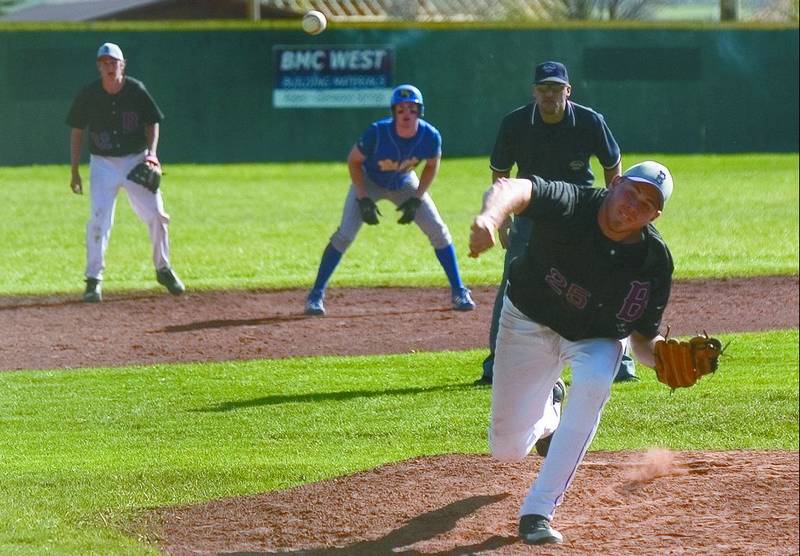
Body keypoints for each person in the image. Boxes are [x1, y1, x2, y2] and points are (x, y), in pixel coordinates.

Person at [468, 160, 674, 545]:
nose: (634, 204)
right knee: (508, 448)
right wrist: (489, 219)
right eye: (632, 191)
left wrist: (661, 357)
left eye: (647, 204)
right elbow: (513, 188)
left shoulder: (653, 262)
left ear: (654, 215)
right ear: (615, 183)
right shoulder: (573, 203)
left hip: (595, 338)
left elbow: (642, 339)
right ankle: (549, 414)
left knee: (596, 379)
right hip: (528, 318)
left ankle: (538, 511)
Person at [477, 60, 639, 385]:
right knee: (515, 282)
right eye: (543, 88)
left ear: (568, 90)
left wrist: (614, 211)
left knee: (602, 283)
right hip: (532, 213)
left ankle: (620, 362)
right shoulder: (516, 123)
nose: (549, 94)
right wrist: (504, 219)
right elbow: (500, 172)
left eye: (555, 88)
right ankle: (496, 364)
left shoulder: (590, 121)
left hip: (581, 214)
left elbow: (612, 163)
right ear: (534, 91)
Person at [304, 84, 475, 315]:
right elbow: (354, 160)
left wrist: (417, 198)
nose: (406, 114)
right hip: (369, 181)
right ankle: (315, 295)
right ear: (393, 111)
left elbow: (432, 166)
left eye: (412, 108)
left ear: (420, 111)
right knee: (344, 235)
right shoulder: (377, 132)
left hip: (404, 181)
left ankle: (459, 291)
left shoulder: (430, 136)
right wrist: (363, 198)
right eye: (401, 109)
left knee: (438, 230)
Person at [67, 42, 184, 303]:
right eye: (104, 63)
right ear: (99, 67)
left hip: (135, 159)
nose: (109, 67)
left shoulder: (135, 90)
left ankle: (163, 269)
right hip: (103, 163)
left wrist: (152, 154)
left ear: (123, 65)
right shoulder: (89, 94)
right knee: (98, 220)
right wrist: (74, 169)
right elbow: (76, 129)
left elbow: (152, 121)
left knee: (156, 215)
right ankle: (93, 280)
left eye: (113, 62)